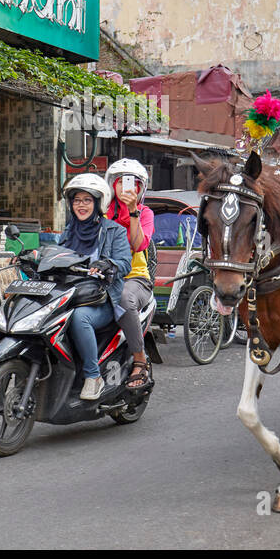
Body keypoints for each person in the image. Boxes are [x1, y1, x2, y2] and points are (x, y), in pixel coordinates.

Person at [56, 173, 132, 400]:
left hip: (101, 298)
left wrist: (108, 264)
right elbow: (55, 256)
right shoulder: (68, 231)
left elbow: (125, 263)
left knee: (80, 318)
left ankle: (93, 376)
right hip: (68, 294)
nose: (81, 205)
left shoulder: (114, 231)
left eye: (87, 200)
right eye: (77, 200)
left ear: (98, 203)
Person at [105, 158, 155, 391]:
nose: (128, 188)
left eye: (134, 183)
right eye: (122, 182)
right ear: (112, 185)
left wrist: (133, 211)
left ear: (141, 189)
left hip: (135, 279)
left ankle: (139, 359)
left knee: (124, 299)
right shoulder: (101, 213)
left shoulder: (145, 213)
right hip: (102, 278)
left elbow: (137, 244)